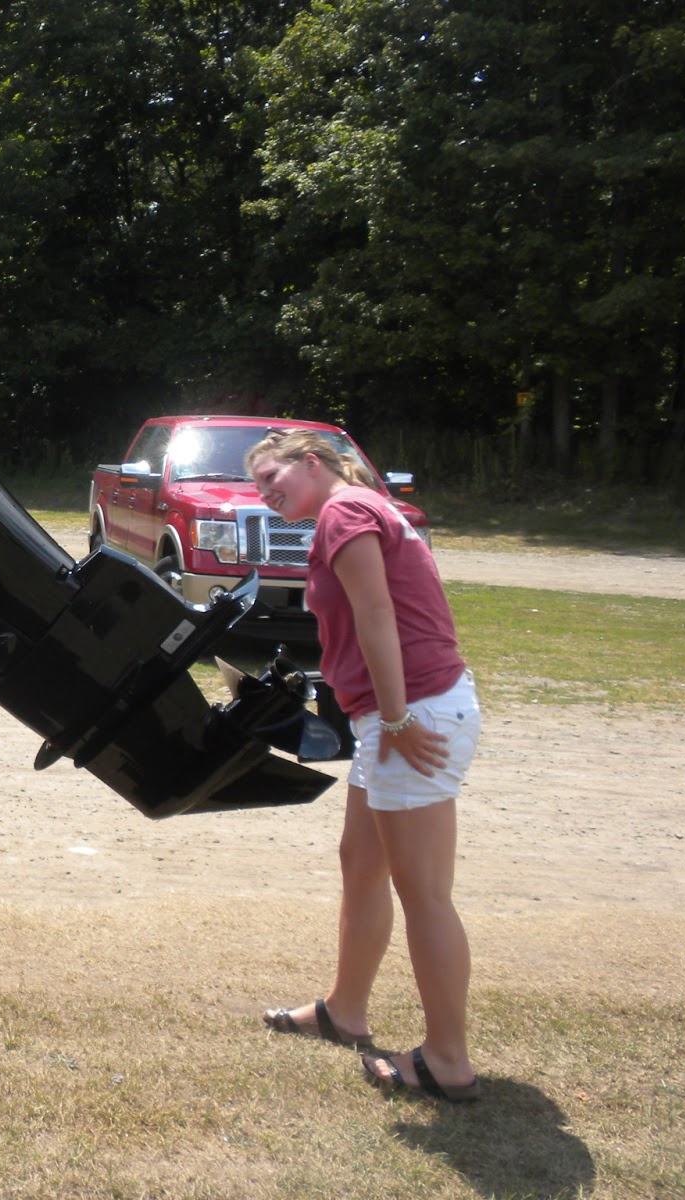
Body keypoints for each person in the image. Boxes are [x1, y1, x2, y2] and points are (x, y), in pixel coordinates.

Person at [244, 428, 483, 1103]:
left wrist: (400, 719)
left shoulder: (345, 512)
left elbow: (377, 614)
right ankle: (343, 1010)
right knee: (361, 861)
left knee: (424, 891)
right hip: (397, 715)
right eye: (257, 486)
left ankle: (447, 1059)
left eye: (273, 478)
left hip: (413, 715)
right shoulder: (367, 507)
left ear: (311, 463)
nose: (265, 494)